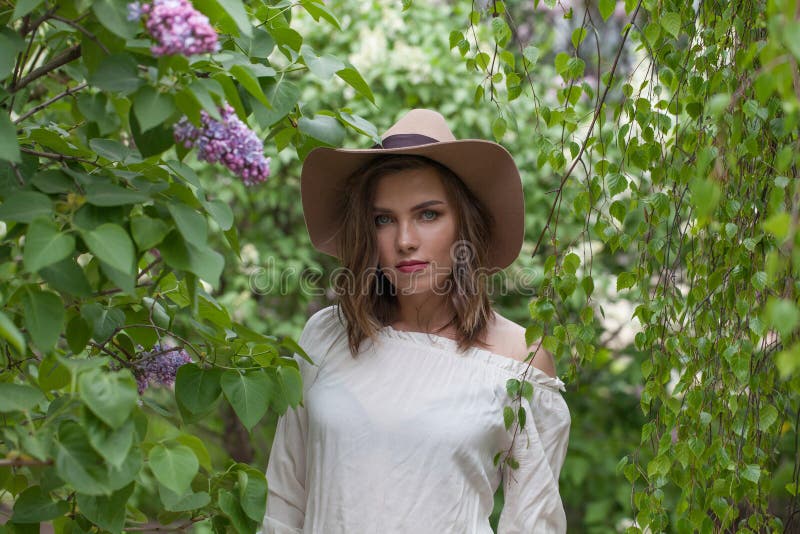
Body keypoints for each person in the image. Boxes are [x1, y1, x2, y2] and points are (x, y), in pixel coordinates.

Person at [262, 109, 571, 533]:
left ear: (465, 225)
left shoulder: (521, 360)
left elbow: (534, 523)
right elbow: (283, 500)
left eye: (428, 214)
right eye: (383, 219)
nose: (405, 240)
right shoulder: (327, 335)